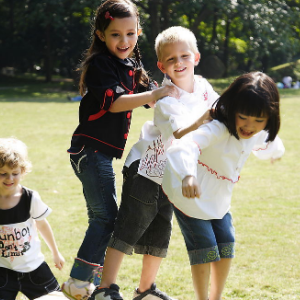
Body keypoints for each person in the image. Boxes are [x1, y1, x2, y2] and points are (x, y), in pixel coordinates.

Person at [90, 26, 219, 300]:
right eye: (171, 59)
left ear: (196, 57)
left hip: (170, 176)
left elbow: (221, 113)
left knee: (160, 232)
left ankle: (145, 290)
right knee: (129, 227)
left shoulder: (204, 88)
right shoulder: (166, 97)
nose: (179, 63)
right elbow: (181, 133)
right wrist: (203, 121)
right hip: (146, 171)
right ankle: (104, 288)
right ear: (161, 65)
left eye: (184, 56)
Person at [61, 1, 178, 299]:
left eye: (130, 33)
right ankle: (81, 282)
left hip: (99, 155)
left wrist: (174, 92)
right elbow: (115, 102)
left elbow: (153, 97)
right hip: (90, 153)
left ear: (138, 32)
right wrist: (153, 94)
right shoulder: (101, 65)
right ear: (101, 35)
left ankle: (93, 282)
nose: (124, 41)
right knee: (105, 219)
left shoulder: (130, 66)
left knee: (102, 218)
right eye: (115, 34)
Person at [161, 71, 285, 300]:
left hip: (218, 198)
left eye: (258, 120)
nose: (249, 126)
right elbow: (184, 146)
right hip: (189, 192)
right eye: (244, 117)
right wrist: (188, 175)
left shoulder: (257, 133)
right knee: (206, 249)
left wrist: (276, 153)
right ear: (233, 108)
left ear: (269, 118)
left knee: (226, 244)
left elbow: (270, 142)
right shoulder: (218, 128)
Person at [0, 138, 65, 300]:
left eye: (15, 173)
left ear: (23, 171)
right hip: (3, 271)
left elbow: (42, 225)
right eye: (3, 174)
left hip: (33, 269)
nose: (10, 179)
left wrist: (55, 253)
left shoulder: (30, 198)